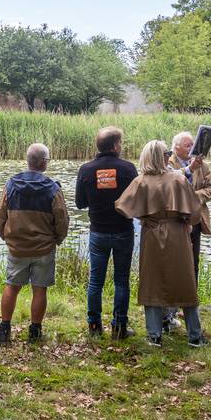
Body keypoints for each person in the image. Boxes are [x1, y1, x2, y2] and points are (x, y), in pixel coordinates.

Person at [115, 140, 204, 347]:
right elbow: (195, 212)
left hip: (152, 233)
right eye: (167, 152)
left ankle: (154, 335)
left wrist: (143, 217)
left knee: (152, 281)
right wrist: (183, 219)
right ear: (163, 157)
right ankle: (195, 336)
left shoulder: (140, 181)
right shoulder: (178, 179)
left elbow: (121, 206)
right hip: (178, 233)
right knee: (186, 281)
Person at [0, 143, 69, 345]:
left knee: (12, 286)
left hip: (17, 247)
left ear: (28, 161)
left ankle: (4, 330)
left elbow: (1, 213)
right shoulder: (53, 188)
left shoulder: (10, 185)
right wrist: (58, 238)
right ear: (44, 162)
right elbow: (61, 218)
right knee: (40, 289)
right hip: (44, 247)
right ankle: (35, 331)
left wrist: (6, 236)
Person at [75, 126, 138, 339]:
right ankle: (119, 327)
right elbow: (136, 201)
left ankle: (94, 326)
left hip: (98, 232)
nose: (122, 146)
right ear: (115, 145)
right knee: (121, 280)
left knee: (95, 281)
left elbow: (80, 203)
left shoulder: (86, 169)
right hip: (123, 231)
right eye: (120, 143)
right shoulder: (128, 169)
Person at [167, 131, 211, 329]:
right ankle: (171, 305)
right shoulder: (168, 163)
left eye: (193, 144)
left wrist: (194, 197)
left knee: (193, 262)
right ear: (176, 147)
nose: (192, 148)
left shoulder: (202, 164)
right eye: (187, 145)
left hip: (195, 219)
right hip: (175, 220)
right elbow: (168, 186)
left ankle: (189, 302)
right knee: (174, 262)